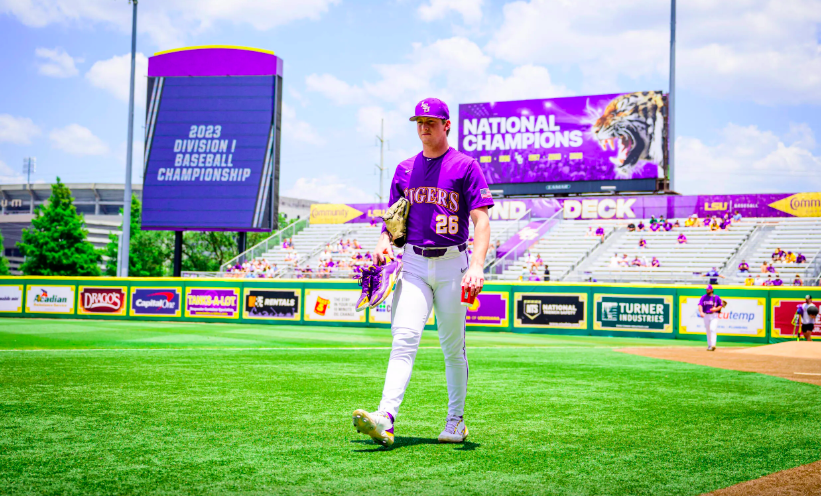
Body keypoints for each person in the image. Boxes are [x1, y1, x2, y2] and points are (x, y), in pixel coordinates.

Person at [353, 97, 493, 447]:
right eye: (419, 121)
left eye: (431, 121)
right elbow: (394, 218)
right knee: (403, 339)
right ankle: (385, 418)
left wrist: (477, 266)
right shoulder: (404, 169)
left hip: (453, 263)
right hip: (413, 262)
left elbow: (482, 220)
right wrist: (384, 240)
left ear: (446, 125)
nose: (424, 127)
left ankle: (455, 421)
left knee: (452, 348)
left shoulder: (466, 166)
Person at [698, 284, 723, 351]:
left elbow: (720, 305)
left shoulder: (716, 297)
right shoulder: (703, 297)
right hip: (706, 315)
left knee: (713, 329)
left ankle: (713, 345)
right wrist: (701, 312)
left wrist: (716, 309)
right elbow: (700, 305)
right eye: (706, 289)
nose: (707, 290)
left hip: (714, 315)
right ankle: (709, 345)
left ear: (711, 290)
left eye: (708, 289)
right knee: (708, 330)